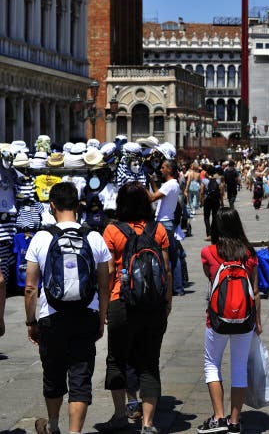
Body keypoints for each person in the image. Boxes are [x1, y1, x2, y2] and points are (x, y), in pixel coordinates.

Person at [24, 182, 111, 434]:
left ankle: (52, 426)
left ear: (52, 206)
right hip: (86, 315)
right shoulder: (94, 237)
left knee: (53, 374)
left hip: (51, 316)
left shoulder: (42, 237)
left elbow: (30, 287)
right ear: (77, 206)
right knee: (80, 378)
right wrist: (101, 318)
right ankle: (74, 432)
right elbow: (104, 286)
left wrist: (31, 323)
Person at [98, 183, 172, 434]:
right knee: (150, 362)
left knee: (116, 360)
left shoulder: (111, 230)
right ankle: (148, 424)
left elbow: (108, 272)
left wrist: (104, 306)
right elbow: (166, 270)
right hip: (154, 305)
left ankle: (121, 414)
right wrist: (167, 302)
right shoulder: (158, 229)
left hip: (121, 302)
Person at [198, 208, 262, 434]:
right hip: (245, 318)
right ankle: (235, 422)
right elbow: (254, 291)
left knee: (212, 363)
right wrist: (258, 321)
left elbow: (211, 279)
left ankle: (218, 417)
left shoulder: (208, 252)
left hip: (216, 318)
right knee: (239, 367)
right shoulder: (250, 254)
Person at [148, 159, 183, 296]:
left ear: (169, 169)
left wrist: (141, 186)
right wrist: (151, 182)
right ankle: (177, 286)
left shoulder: (170, 185)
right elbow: (158, 194)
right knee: (173, 254)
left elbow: (152, 198)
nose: (161, 170)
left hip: (164, 222)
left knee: (169, 256)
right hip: (167, 221)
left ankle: (175, 287)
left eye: (163, 167)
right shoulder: (171, 184)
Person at [201, 166, 221, 242]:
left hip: (207, 200)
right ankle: (214, 232)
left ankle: (209, 234)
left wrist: (201, 201)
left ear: (207, 172)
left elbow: (202, 192)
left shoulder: (204, 181)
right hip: (216, 200)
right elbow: (221, 192)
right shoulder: (218, 181)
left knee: (206, 217)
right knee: (215, 216)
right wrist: (221, 202)